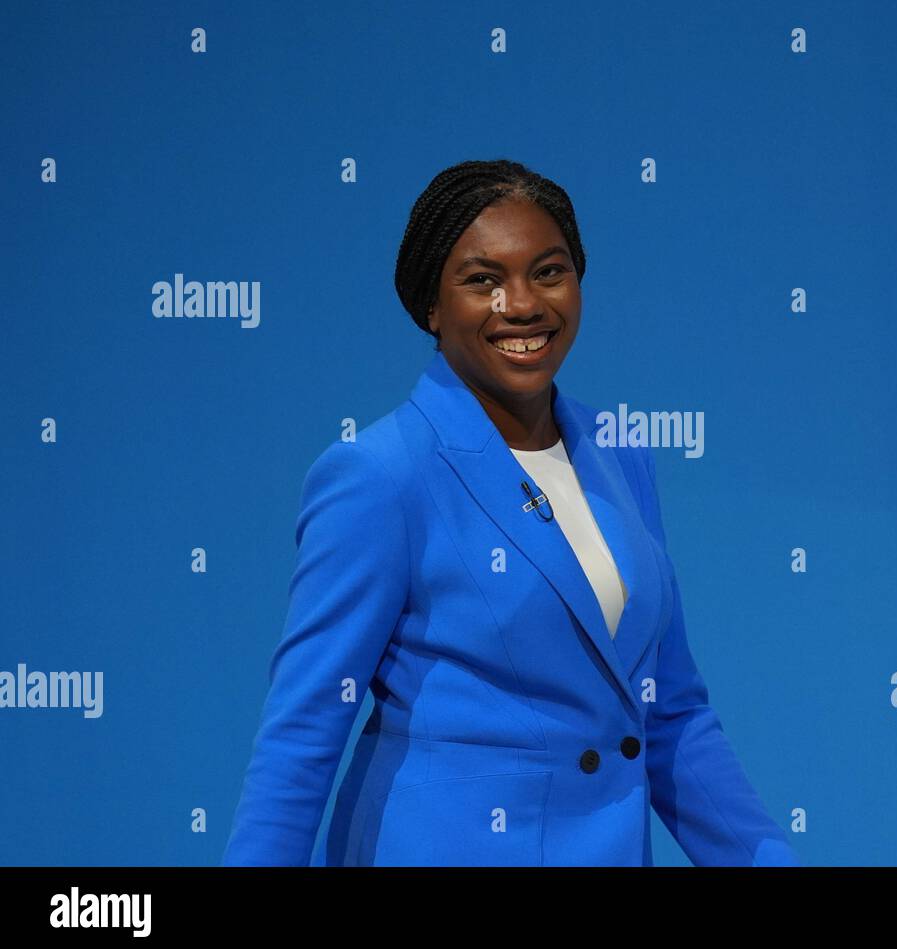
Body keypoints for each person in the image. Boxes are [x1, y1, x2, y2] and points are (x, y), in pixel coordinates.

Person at [222, 159, 799, 866]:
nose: (521, 304)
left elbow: (670, 714)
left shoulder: (622, 455)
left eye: (549, 272)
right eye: (483, 280)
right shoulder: (381, 474)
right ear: (430, 305)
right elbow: (303, 733)